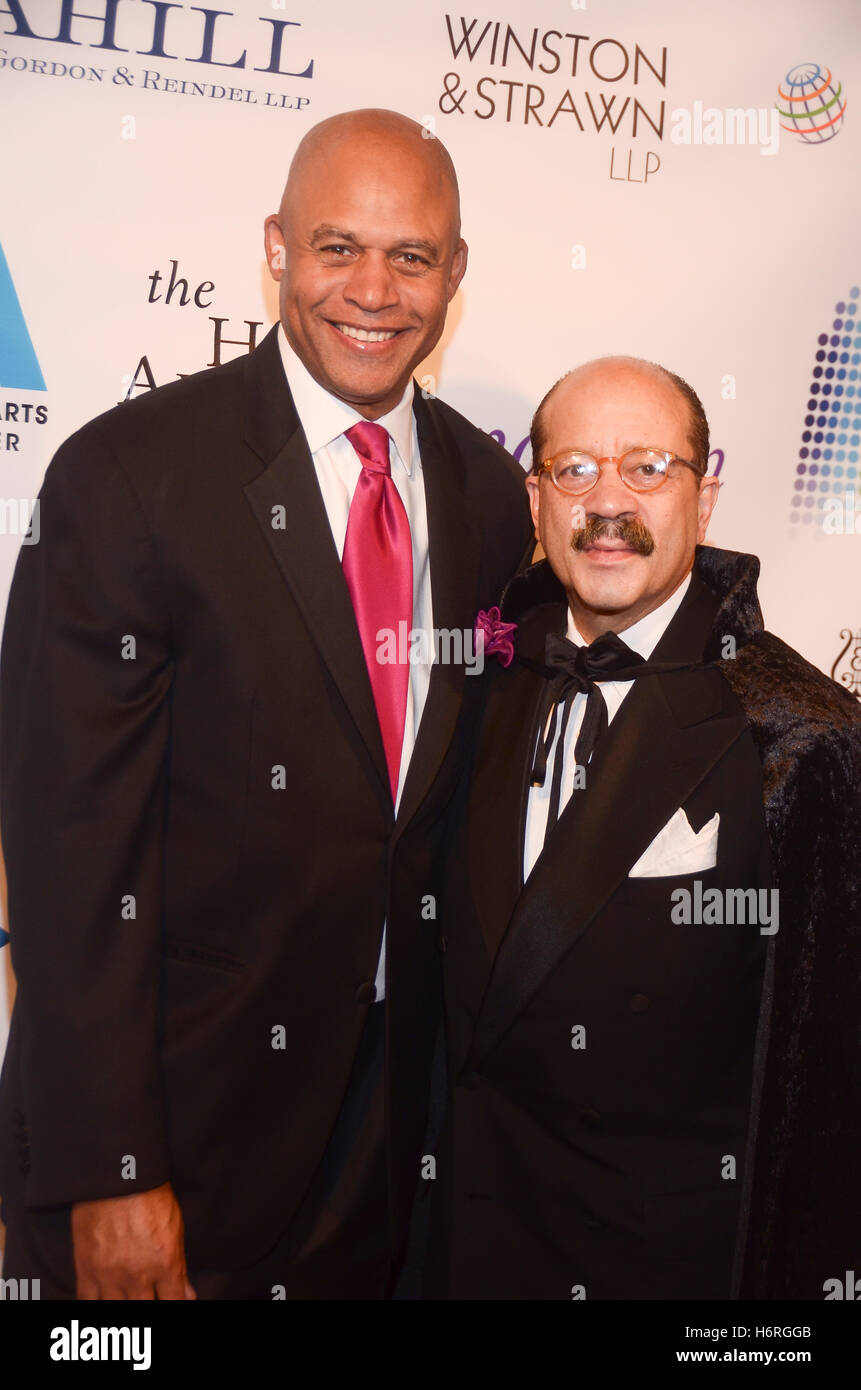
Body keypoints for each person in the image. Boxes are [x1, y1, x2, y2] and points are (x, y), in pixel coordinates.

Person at [0, 108, 532, 1300]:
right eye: (338, 246)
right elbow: (67, 855)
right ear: (276, 248)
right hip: (176, 1146)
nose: (375, 290)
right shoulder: (126, 478)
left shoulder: (489, 495)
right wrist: (110, 1170)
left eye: (413, 255)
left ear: (457, 270)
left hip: (393, 1151)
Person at [429, 356, 861, 1300]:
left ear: (704, 498)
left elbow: (827, 1097)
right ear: (536, 499)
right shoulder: (476, 689)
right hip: (462, 1252)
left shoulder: (800, 737)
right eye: (575, 470)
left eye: (647, 467)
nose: (608, 502)